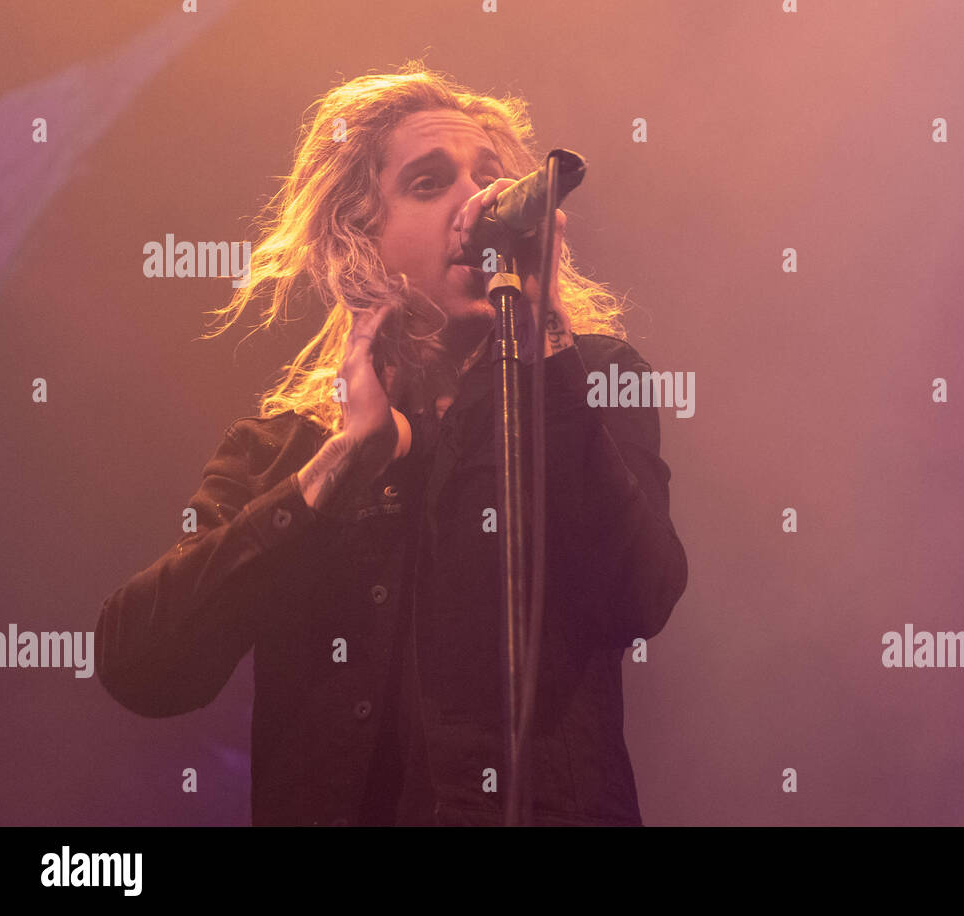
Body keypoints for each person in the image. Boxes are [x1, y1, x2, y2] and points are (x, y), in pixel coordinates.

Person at [95, 61, 689, 826]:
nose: (474, 204)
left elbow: (642, 595)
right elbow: (141, 667)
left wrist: (546, 346)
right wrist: (339, 467)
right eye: (428, 182)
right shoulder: (283, 450)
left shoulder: (593, 380)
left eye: (489, 180)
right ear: (357, 238)